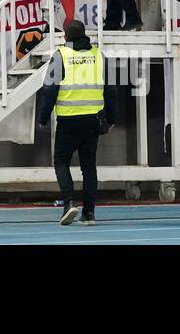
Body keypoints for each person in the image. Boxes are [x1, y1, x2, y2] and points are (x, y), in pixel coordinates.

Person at [36, 19, 115, 226]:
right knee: (89, 167)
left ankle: (69, 202)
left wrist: (43, 118)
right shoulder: (98, 55)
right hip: (93, 120)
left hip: (68, 120)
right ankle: (89, 214)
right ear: (84, 35)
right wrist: (111, 118)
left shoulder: (61, 55)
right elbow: (111, 89)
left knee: (61, 162)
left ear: (66, 37)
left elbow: (49, 90)